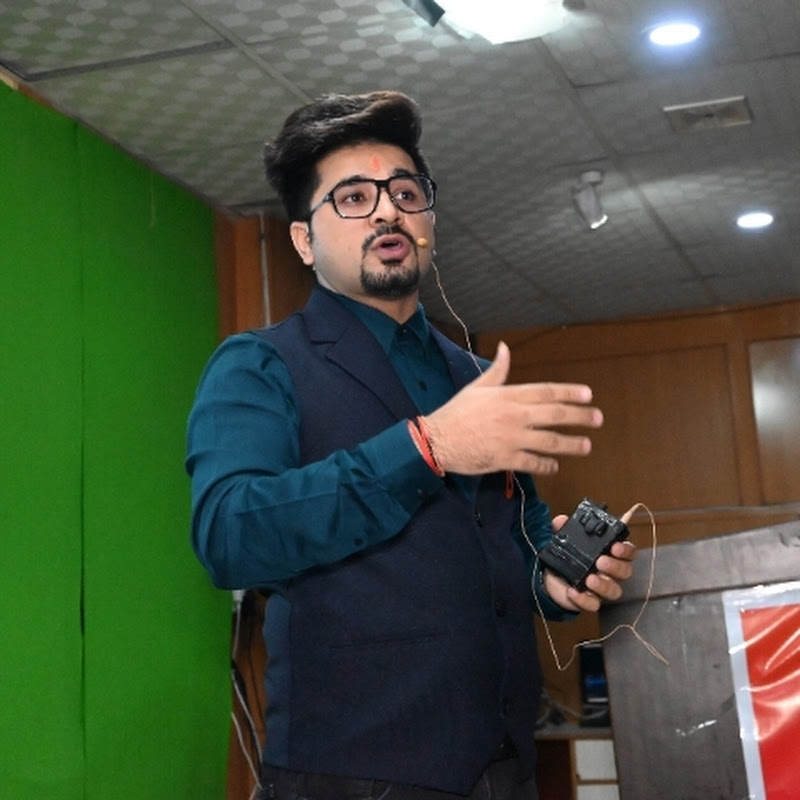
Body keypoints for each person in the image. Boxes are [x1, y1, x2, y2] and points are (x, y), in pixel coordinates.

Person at [186, 91, 635, 800]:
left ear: (428, 219)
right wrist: (427, 448)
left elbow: (509, 543)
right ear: (303, 240)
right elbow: (230, 535)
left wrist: (550, 582)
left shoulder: (478, 378)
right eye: (353, 198)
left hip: (505, 770)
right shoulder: (261, 365)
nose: (387, 212)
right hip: (352, 776)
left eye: (405, 192)